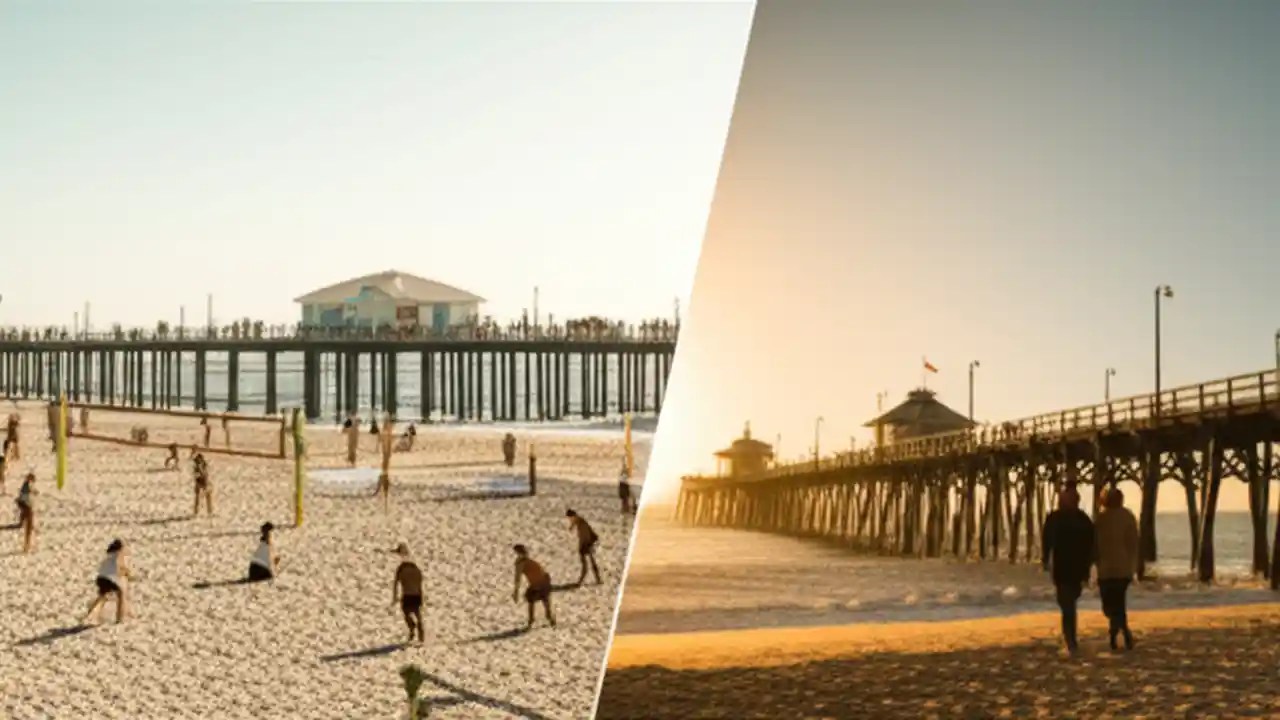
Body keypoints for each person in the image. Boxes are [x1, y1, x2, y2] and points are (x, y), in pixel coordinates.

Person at [1042, 483, 1095, 656]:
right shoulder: (1083, 519)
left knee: (1067, 604)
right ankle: (1070, 638)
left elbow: (1047, 542)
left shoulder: (1056, 518)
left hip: (1065, 567)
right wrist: (1090, 565)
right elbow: (1092, 545)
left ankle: (1070, 639)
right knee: (1069, 603)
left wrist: (1045, 560)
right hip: (1076, 568)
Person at [1095, 486, 1139, 651]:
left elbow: (1095, 545)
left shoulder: (1101, 518)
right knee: (1117, 605)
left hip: (1107, 570)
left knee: (1110, 606)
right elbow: (1134, 543)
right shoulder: (1126, 516)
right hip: (1121, 569)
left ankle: (1115, 635)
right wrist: (1133, 567)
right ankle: (1123, 631)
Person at [84, 539, 132, 624]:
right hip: (109, 578)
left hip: (100, 578)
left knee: (102, 597)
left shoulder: (109, 555)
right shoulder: (119, 554)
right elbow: (120, 566)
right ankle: (119, 618)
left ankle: (90, 614)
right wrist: (127, 573)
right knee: (121, 594)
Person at [512, 544, 555, 629]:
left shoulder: (520, 563)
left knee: (531, 600)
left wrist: (516, 592)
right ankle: (550, 619)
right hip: (545, 583)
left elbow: (517, 579)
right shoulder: (529, 561)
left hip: (538, 585)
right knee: (544, 601)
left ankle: (532, 621)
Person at [390, 543, 425, 643]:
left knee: (406, 612)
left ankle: (412, 627)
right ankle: (421, 633)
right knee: (417, 613)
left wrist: (395, 596)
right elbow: (420, 580)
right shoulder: (415, 567)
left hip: (407, 594)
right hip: (416, 593)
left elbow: (396, 583)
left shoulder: (401, 568)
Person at [566, 509, 601, 585]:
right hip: (585, 544)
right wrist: (571, 527)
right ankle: (597, 579)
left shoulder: (582, 524)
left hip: (587, 545)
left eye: (570, 518)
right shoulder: (578, 520)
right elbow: (574, 523)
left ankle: (581, 581)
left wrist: (585, 546)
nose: (570, 520)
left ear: (573, 516)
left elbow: (586, 535)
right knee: (590, 563)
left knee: (587, 564)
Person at [16, 471, 36, 553]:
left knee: (28, 527)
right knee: (29, 527)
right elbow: (25, 497)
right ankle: (26, 546)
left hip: (26, 507)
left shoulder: (25, 485)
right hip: (27, 507)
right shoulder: (26, 486)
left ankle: (27, 545)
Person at [192, 453, 213, 517]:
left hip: (204, 482)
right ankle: (196, 512)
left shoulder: (204, 465)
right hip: (199, 482)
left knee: (208, 497)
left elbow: (205, 474)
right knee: (198, 498)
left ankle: (209, 512)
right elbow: (196, 476)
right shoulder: (196, 467)